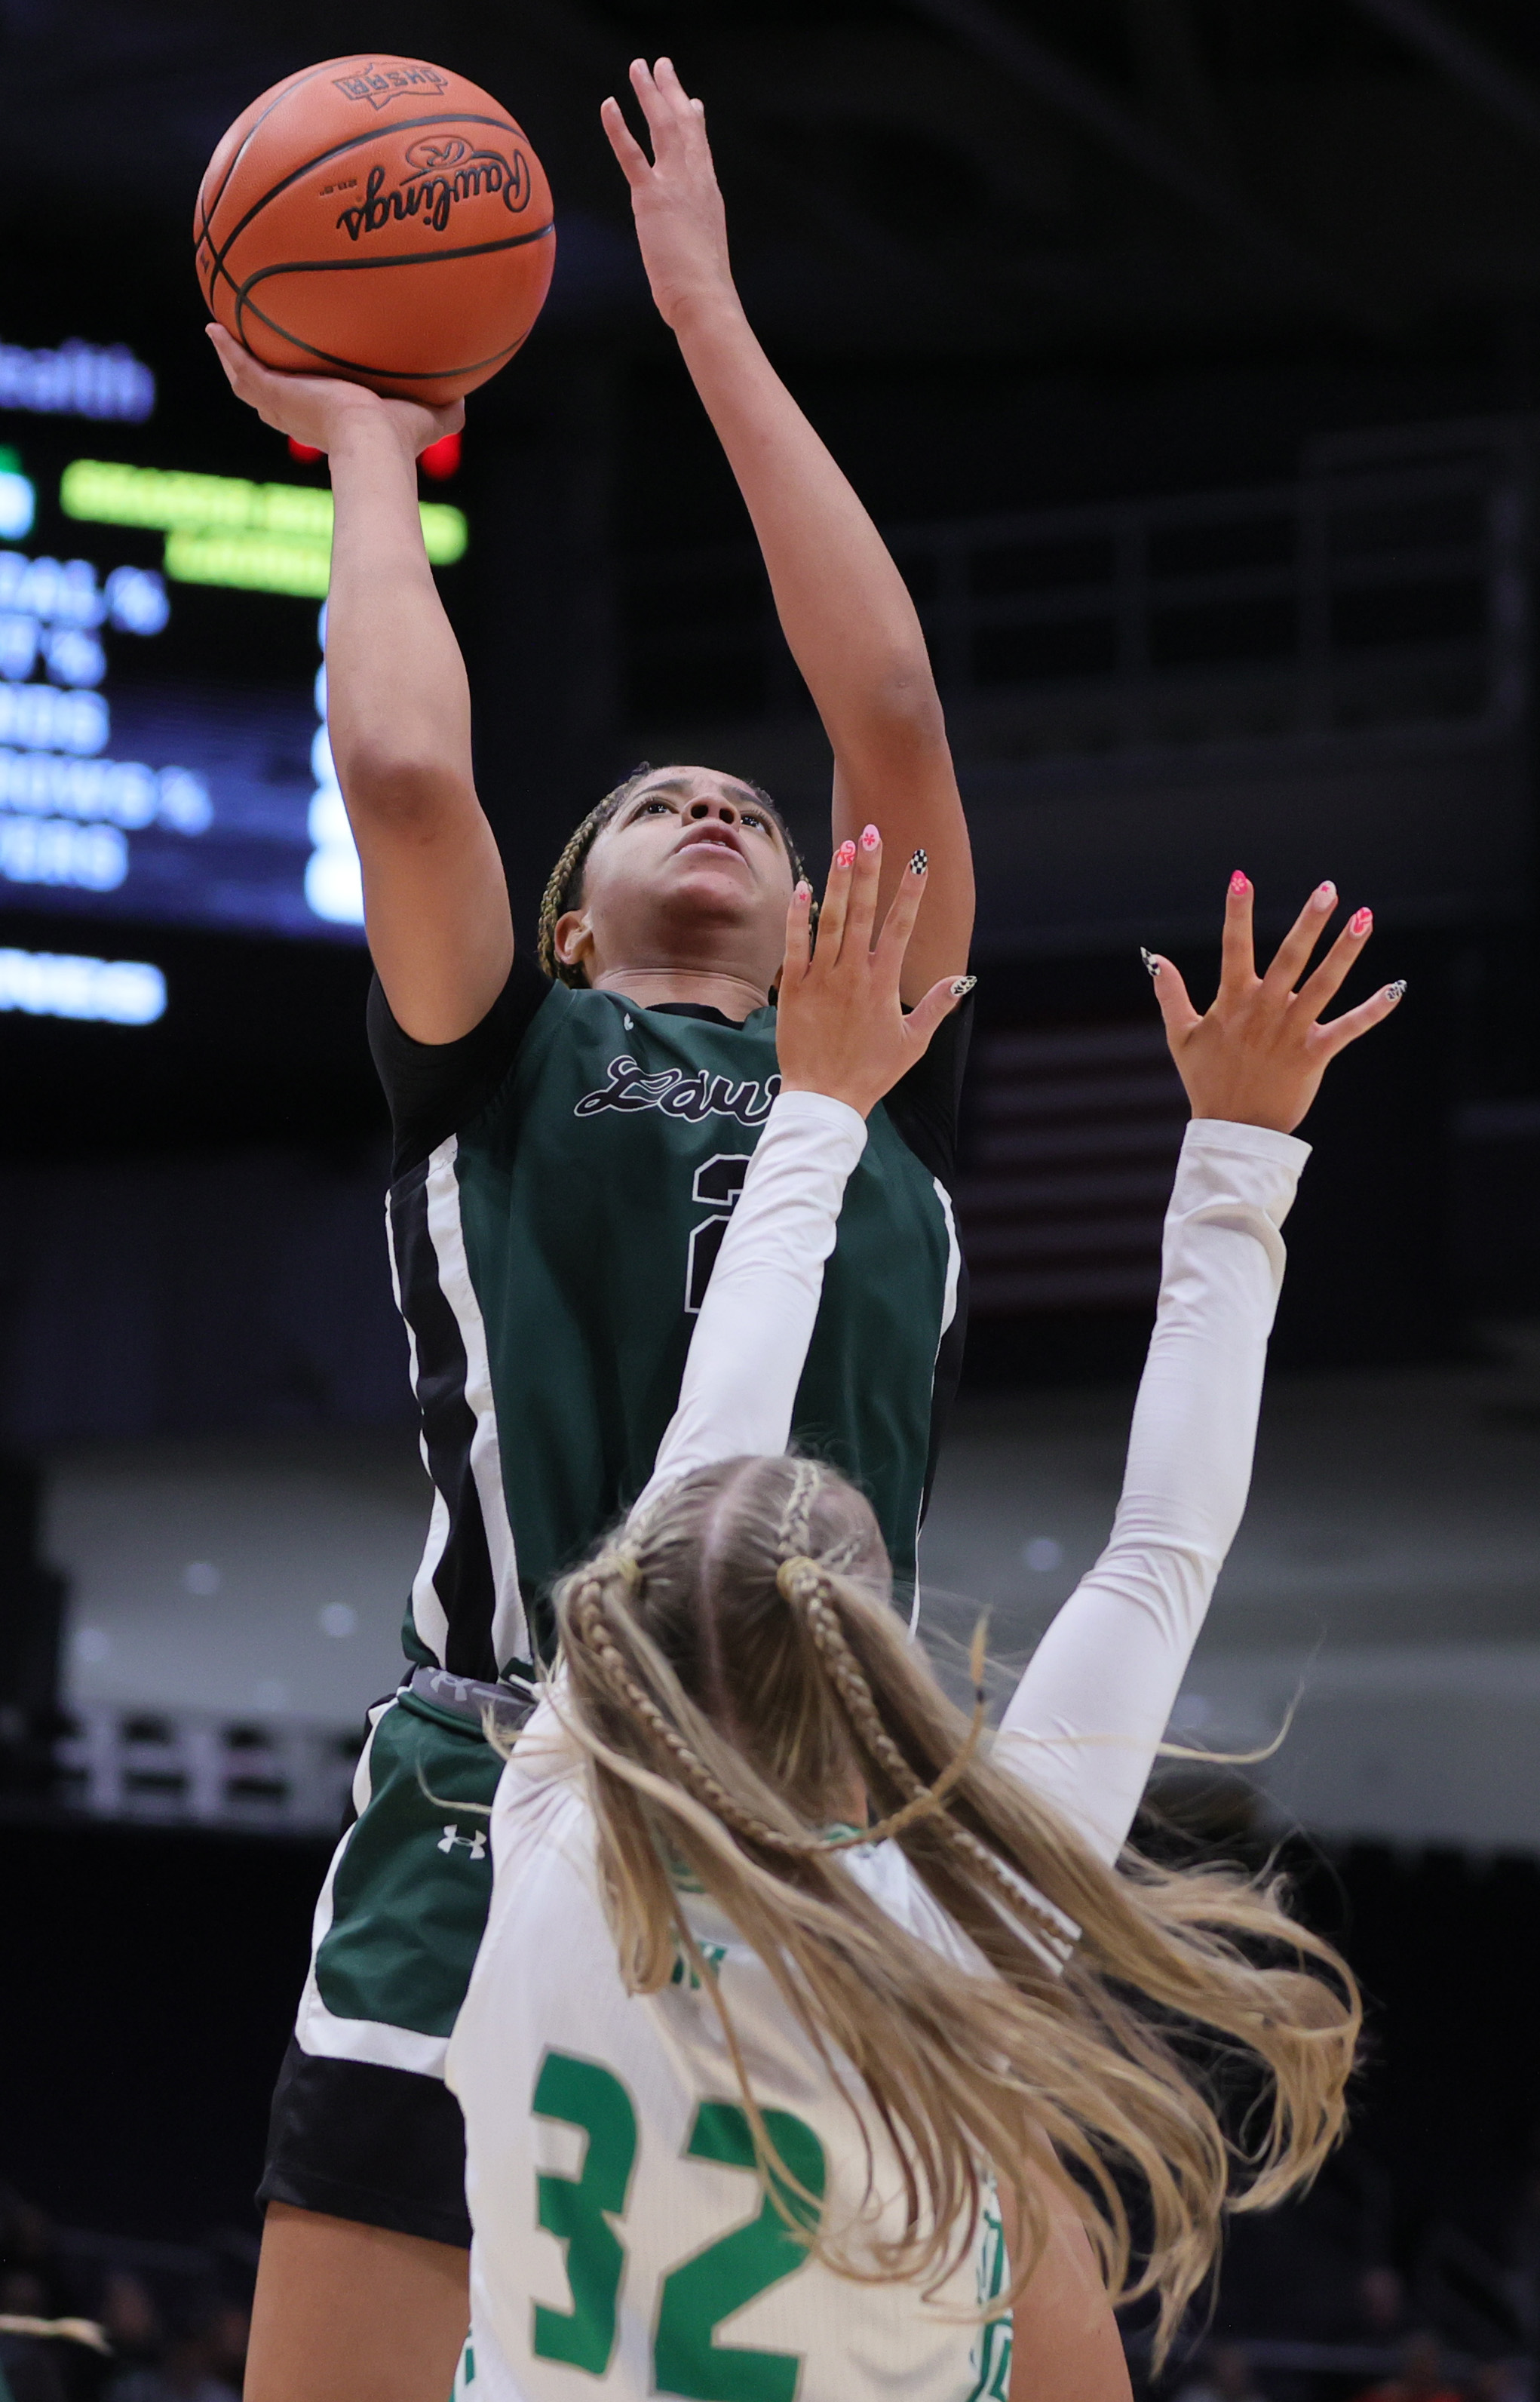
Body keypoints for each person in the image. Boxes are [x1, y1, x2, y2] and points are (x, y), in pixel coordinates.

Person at [214, 56, 980, 2402]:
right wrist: (370, 433)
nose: (719, 803)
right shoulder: (498, 1065)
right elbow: (410, 771)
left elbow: (884, 699)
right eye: (659, 799)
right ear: (556, 930)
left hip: (845, 1817)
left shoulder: (863, 1049)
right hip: (499, 1786)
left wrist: (711, 320)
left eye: (748, 805)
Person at [446, 857, 1397, 2399]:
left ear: (621, 1639)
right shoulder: (946, 1923)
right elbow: (1154, 1547)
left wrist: (822, 1110)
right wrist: (1231, 1151)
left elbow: (727, 1425)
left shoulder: (560, 1805)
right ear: (864, 1655)